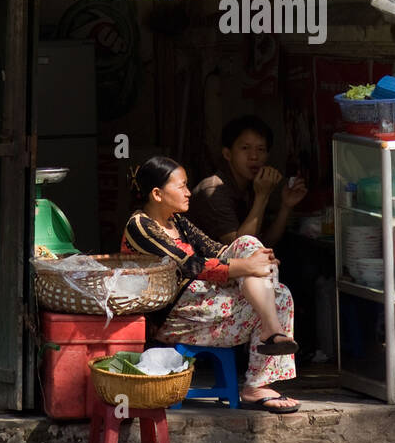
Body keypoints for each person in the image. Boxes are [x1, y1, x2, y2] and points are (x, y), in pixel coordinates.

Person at [122, 156, 301, 413]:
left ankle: (262, 367)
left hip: (203, 307)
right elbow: (191, 265)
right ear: (157, 194)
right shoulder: (140, 225)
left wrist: (257, 258)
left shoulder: (178, 221)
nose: (187, 193)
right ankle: (269, 342)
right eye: (181, 186)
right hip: (174, 318)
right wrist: (248, 266)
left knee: (256, 255)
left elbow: (218, 251)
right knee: (269, 283)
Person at [189, 114, 308, 248]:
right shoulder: (213, 190)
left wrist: (286, 206)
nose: (254, 156)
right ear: (227, 154)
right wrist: (262, 196)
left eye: (261, 149)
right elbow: (241, 251)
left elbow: (263, 244)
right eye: (245, 148)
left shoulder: (251, 186)